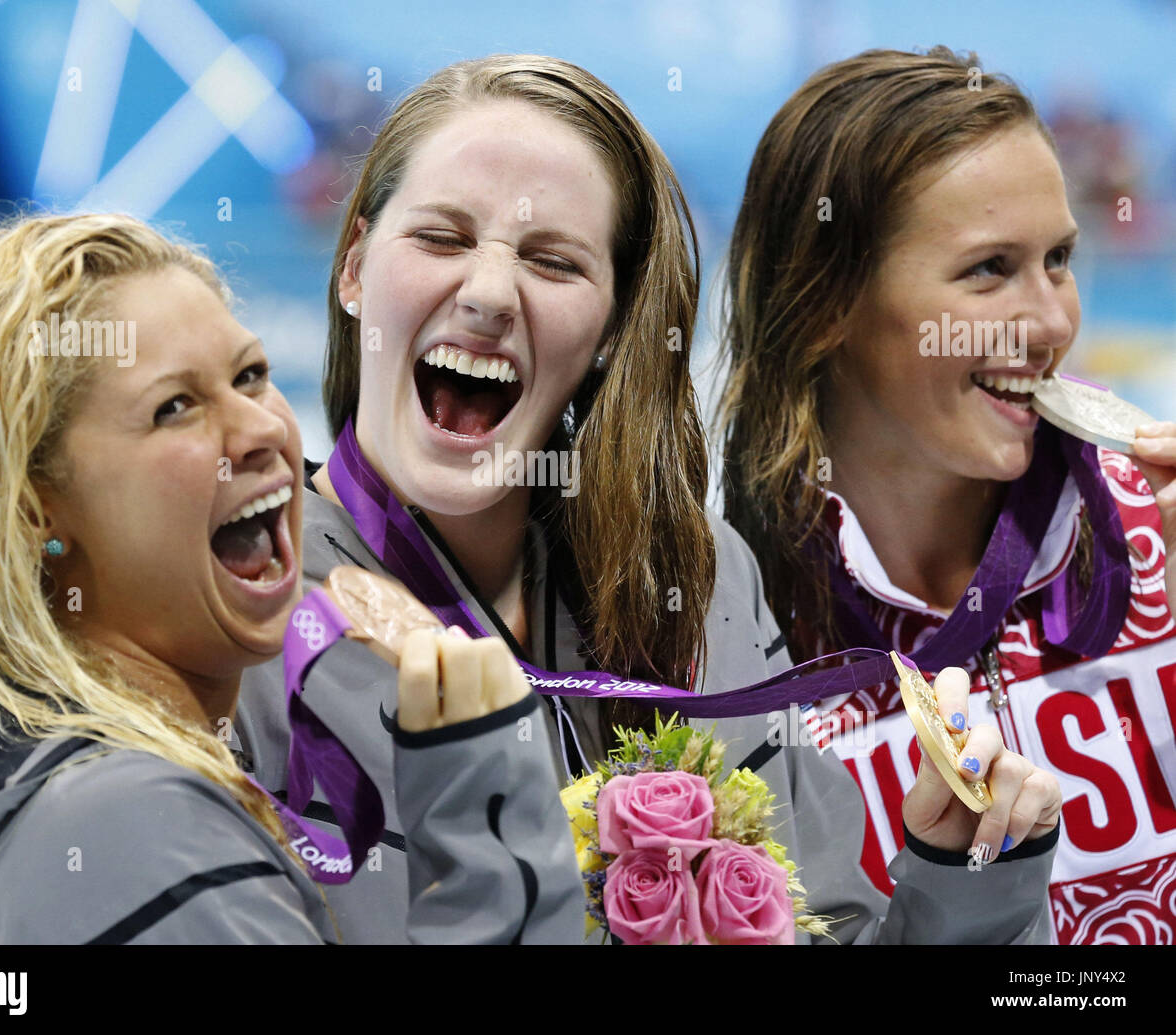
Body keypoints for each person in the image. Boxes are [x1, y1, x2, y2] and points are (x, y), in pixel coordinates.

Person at [238, 52, 1063, 945]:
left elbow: (830, 933)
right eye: (441, 238)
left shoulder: (701, 585)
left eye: (554, 262)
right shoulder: (237, 620)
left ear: (610, 330)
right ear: (354, 265)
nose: (486, 294)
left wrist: (967, 884)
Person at [0, 212, 582, 944]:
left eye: (250, 375)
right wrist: (491, 794)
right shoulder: (138, 833)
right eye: (174, 408)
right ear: (33, 509)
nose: (260, 430)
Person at [718, 46, 1176, 945]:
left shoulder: (1153, 528)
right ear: (826, 304)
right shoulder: (724, 643)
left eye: (1058, 258)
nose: (1051, 322)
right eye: (989, 270)